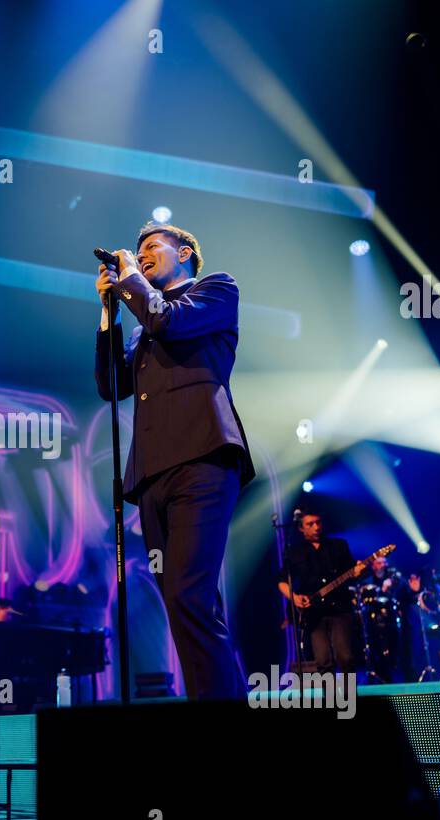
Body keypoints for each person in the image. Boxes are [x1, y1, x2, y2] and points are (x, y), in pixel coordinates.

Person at [95, 221, 255, 699]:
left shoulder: (215, 289)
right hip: (152, 475)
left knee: (189, 594)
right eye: (137, 251)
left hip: (202, 460)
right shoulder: (145, 325)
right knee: (186, 601)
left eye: (150, 247)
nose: (140, 255)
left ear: (184, 252)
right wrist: (110, 316)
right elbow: (112, 386)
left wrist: (131, 284)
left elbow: (169, 321)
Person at [277, 511, 365, 673]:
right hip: (313, 614)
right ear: (301, 528)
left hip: (340, 608)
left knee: (345, 657)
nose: (316, 527)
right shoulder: (294, 552)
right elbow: (282, 582)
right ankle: (330, 698)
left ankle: (350, 697)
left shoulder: (338, 545)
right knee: (323, 661)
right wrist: (294, 598)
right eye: (310, 524)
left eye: (318, 522)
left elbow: (352, 571)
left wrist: (358, 571)